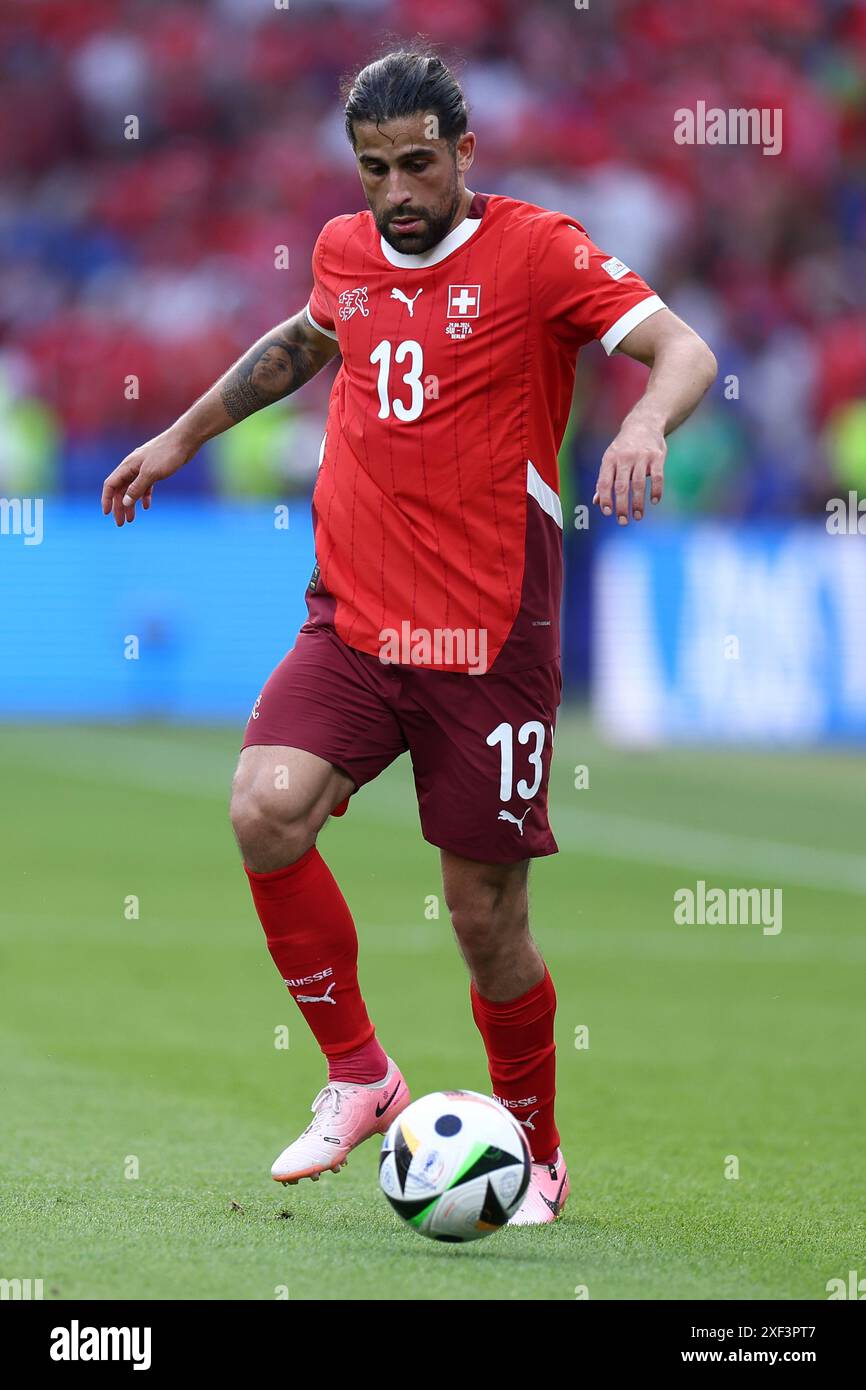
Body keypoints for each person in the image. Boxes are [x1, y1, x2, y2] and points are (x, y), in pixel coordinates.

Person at [102, 47, 717, 1225]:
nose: (397, 191)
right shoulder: (345, 250)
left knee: (486, 924)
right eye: (376, 168)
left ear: (464, 154)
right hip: (351, 622)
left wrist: (642, 424)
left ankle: (535, 1152)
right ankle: (358, 1073)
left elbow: (679, 348)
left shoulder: (539, 252)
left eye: (419, 165)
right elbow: (303, 335)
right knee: (262, 807)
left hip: (487, 638)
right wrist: (178, 438)